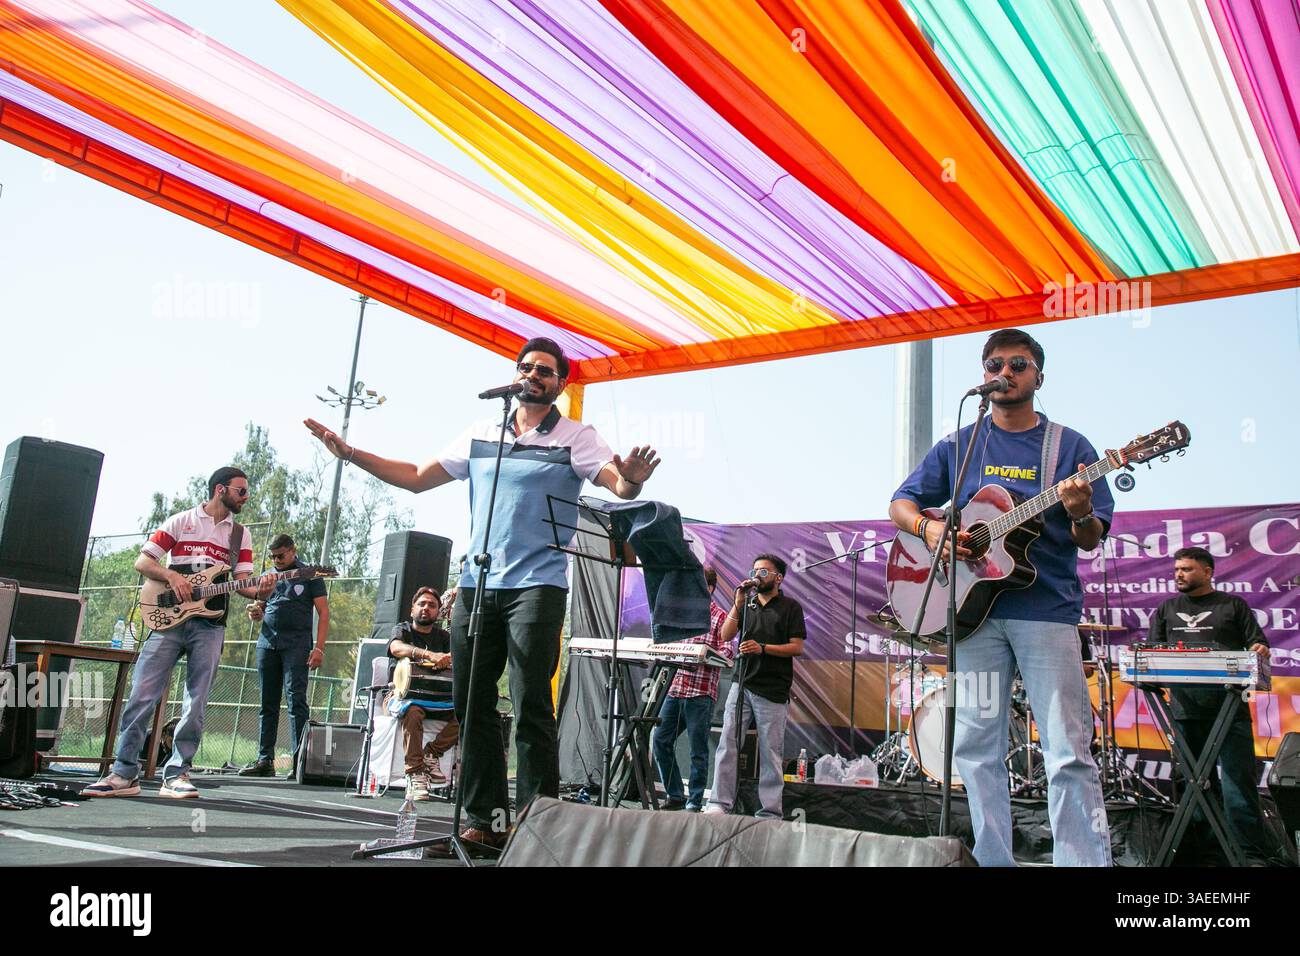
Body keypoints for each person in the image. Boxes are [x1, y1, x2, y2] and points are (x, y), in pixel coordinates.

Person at [305, 337, 660, 854]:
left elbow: (616, 484)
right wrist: (350, 453)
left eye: (545, 370)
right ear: (515, 377)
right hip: (476, 586)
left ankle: (540, 829)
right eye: (526, 368)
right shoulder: (482, 433)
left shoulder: (576, 436)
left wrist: (628, 483)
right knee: (470, 705)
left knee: (532, 704)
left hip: (535, 589)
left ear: (560, 383)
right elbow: (416, 478)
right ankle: (485, 823)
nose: (533, 375)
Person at [889, 327, 1113, 867]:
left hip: (1045, 614)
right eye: (994, 365)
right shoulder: (961, 444)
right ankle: (993, 860)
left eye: (1017, 364)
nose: (1003, 374)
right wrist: (932, 530)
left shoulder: (1069, 447)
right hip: (974, 621)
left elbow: (1091, 536)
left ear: (1038, 375)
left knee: (1066, 750)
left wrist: (1079, 510)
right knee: (975, 747)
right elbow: (901, 502)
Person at [86, 467, 264, 798]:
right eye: (241, 490)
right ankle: (124, 774)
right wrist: (172, 577)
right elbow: (143, 562)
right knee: (142, 694)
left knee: (196, 701)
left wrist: (264, 589)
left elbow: (244, 583)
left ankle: (177, 774)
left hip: (210, 625)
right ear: (220, 489)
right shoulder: (181, 521)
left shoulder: (241, 535)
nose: (246, 496)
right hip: (167, 620)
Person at [1150, 547, 1274, 865]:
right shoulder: (1166, 608)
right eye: (1177, 568)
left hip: (1230, 710)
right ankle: (1205, 853)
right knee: (1193, 784)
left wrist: (1259, 649)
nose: (1179, 573)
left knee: (1237, 783)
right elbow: (1153, 654)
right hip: (1183, 711)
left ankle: (1250, 854)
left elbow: (1258, 645)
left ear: (1207, 571)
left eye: (1187, 569)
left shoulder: (1233, 605)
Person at [703, 554, 805, 818]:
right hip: (742, 683)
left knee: (770, 752)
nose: (757, 575)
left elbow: (797, 647)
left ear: (778, 578)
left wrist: (763, 649)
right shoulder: (746, 604)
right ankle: (719, 803)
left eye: (763, 572)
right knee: (728, 743)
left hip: (772, 689)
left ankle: (770, 811)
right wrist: (737, 604)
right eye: (754, 570)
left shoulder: (790, 607)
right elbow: (725, 635)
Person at [239, 534, 329, 777]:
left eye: (281, 555)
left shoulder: (309, 573)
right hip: (267, 643)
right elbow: (262, 608)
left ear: (293, 551)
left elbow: (323, 612)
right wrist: (256, 613)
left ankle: (300, 760)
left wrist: (318, 648)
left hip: (297, 645)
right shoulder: (269, 575)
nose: (277, 560)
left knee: (295, 701)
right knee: (267, 703)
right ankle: (265, 759)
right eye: (273, 556)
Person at [652, 565, 731, 811]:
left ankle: (694, 802)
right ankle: (675, 794)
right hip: (675, 689)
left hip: (701, 693)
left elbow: (728, 652)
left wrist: (705, 655)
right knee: (660, 740)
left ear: (708, 588)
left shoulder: (719, 616)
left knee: (698, 751)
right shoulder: (680, 614)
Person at [386, 587, 458, 800]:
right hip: (401, 696)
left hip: (437, 699)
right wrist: (429, 655)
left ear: (438, 612)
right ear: (412, 610)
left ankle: (431, 753)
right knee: (413, 711)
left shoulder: (444, 636)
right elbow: (396, 648)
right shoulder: (403, 630)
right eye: (422, 604)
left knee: (467, 713)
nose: (426, 608)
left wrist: (448, 658)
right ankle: (415, 773)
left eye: (432, 605)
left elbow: (456, 658)